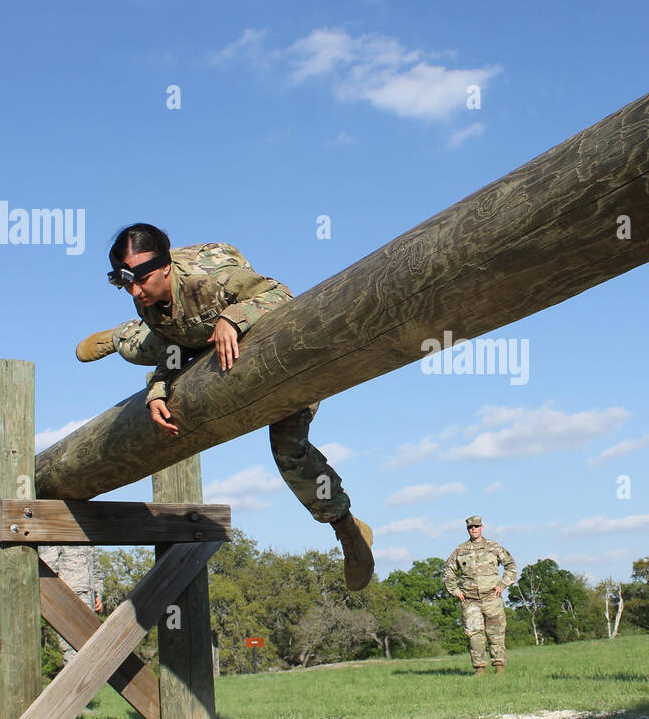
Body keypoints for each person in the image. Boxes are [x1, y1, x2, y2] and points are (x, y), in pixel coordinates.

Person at [75, 223, 374, 590]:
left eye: (142, 279)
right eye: (126, 284)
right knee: (139, 346)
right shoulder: (146, 299)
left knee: (290, 452)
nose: (136, 291)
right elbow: (171, 348)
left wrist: (233, 317)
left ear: (166, 266)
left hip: (278, 358)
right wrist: (157, 389)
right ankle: (119, 335)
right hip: (190, 339)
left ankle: (348, 530)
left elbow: (281, 295)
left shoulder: (212, 278)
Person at [443, 516, 517, 675]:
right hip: (470, 601)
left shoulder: (494, 547)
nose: (473, 529)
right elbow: (448, 571)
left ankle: (499, 667)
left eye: (476, 526)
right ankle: (479, 668)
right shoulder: (461, 550)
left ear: (482, 527)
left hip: (492, 597)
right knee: (474, 634)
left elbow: (511, 566)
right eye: (470, 527)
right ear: (468, 530)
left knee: (496, 633)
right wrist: (455, 590)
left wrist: (503, 584)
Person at [38, 545, 103, 665]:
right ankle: (74, 682)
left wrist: (98, 594)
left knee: (90, 648)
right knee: (71, 650)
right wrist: (58, 594)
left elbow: (96, 570)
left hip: (89, 601)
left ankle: (87, 682)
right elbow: (45, 567)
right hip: (67, 601)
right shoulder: (57, 537)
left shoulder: (89, 542)